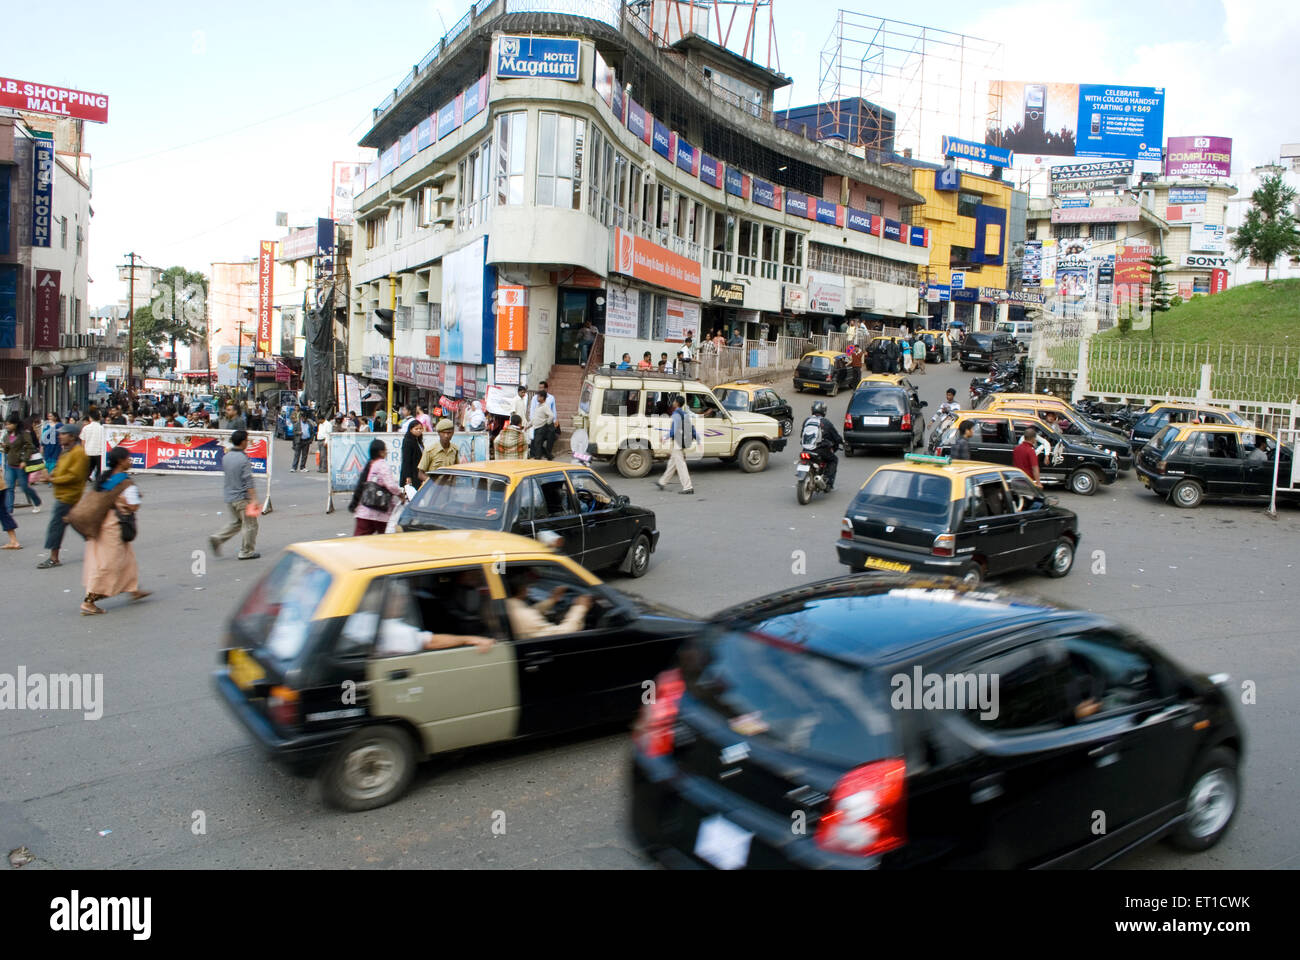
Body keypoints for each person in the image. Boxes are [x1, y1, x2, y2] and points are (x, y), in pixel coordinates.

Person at [79, 446, 149, 615]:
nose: (130, 461)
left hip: (99, 523)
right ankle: (89, 602)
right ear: (120, 461)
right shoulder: (125, 482)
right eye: (128, 458)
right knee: (108, 563)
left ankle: (133, 590)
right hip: (113, 526)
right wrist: (127, 501)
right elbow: (133, 506)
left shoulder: (105, 477)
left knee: (126, 559)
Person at [362, 577, 494, 655]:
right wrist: (470, 639)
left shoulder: (361, 620)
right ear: (385, 602)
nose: (404, 601)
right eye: (398, 598)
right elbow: (431, 642)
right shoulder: (398, 631)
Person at [38, 424, 90, 569]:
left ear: (72, 436)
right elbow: (60, 469)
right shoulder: (66, 451)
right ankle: (99, 545)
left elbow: (74, 476)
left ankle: (54, 558)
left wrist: (52, 480)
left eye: (63, 434)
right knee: (78, 525)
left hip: (69, 496)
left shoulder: (78, 453)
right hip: (64, 495)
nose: (60, 436)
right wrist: (52, 475)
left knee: (57, 526)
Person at [209, 430, 261, 561]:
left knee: (237, 522)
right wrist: (254, 499)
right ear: (243, 442)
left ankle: (218, 537)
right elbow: (248, 481)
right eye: (247, 440)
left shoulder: (226, 456)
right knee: (251, 525)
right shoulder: (243, 459)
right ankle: (246, 551)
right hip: (242, 498)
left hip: (229, 496)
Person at [505, 572, 593, 639]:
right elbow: (563, 634)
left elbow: (532, 610)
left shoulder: (509, 605)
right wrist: (580, 608)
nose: (529, 589)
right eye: (527, 586)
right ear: (522, 589)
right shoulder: (524, 616)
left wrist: (552, 600)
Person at [349, 438, 404, 535]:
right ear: (381, 452)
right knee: (385, 542)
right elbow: (390, 485)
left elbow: (360, 486)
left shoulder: (369, 465)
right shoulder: (382, 465)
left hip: (364, 511)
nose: (386, 452)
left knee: (358, 541)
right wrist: (400, 494)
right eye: (385, 450)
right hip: (381, 512)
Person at [656, 396, 697, 494]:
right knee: (672, 463)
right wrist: (695, 437)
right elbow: (692, 428)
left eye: (674, 401)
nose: (673, 402)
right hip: (682, 441)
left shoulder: (676, 414)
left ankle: (688, 487)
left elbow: (673, 430)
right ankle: (662, 482)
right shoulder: (685, 414)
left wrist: (665, 437)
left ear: (677, 403)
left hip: (678, 442)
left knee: (680, 465)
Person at [800, 400, 843, 491]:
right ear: (824, 410)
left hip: (806, 449)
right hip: (820, 450)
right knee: (834, 460)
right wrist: (841, 441)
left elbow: (802, 435)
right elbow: (836, 437)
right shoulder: (826, 422)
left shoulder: (807, 421)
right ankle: (828, 484)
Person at [3, 413, 42, 513]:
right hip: (10, 464)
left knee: (24, 486)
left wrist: (25, 460)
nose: (7, 426)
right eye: (6, 424)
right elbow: (7, 450)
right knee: (10, 487)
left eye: (9, 424)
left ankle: (37, 502)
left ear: (15, 424)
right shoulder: (6, 435)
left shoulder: (24, 434)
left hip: (21, 465)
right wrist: (4, 447)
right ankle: (9, 509)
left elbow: (30, 447)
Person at [529, 384, 558, 459]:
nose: (537, 398)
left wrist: (547, 422)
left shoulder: (545, 406)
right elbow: (534, 415)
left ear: (542, 398)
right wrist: (529, 425)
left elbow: (552, 415)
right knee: (537, 442)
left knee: (538, 443)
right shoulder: (538, 405)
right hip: (537, 426)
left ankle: (540, 457)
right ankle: (547, 455)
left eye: (539, 397)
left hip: (542, 426)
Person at [399, 420, 425, 488]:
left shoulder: (418, 441)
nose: (419, 430)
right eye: (416, 429)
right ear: (410, 430)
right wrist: (408, 476)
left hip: (418, 472)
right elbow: (406, 460)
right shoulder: (407, 441)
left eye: (420, 428)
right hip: (411, 474)